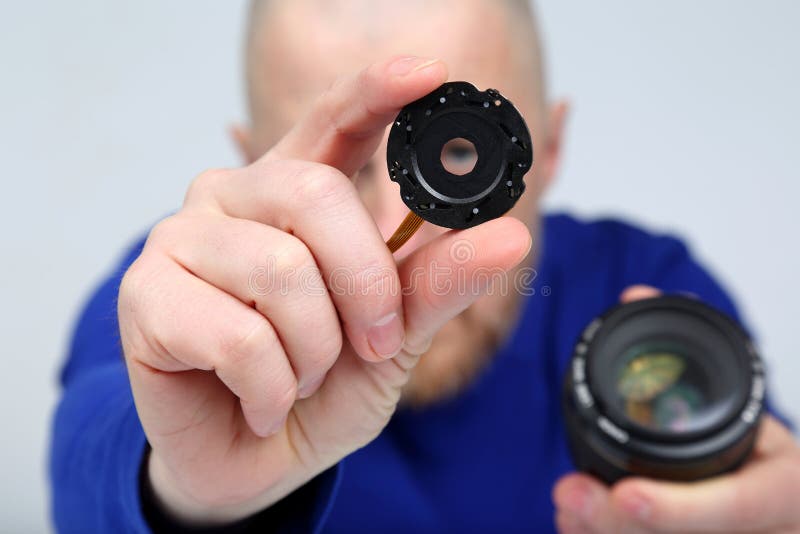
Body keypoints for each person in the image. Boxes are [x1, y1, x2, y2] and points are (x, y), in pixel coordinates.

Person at [50, 0, 800, 532]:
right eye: (341, 171)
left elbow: (769, 469)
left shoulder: (644, 285)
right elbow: (87, 471)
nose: (394, 236)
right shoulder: (182, 295)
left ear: (549, 147)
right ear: (254, 162)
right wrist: (189, 493)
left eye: (461, 156)